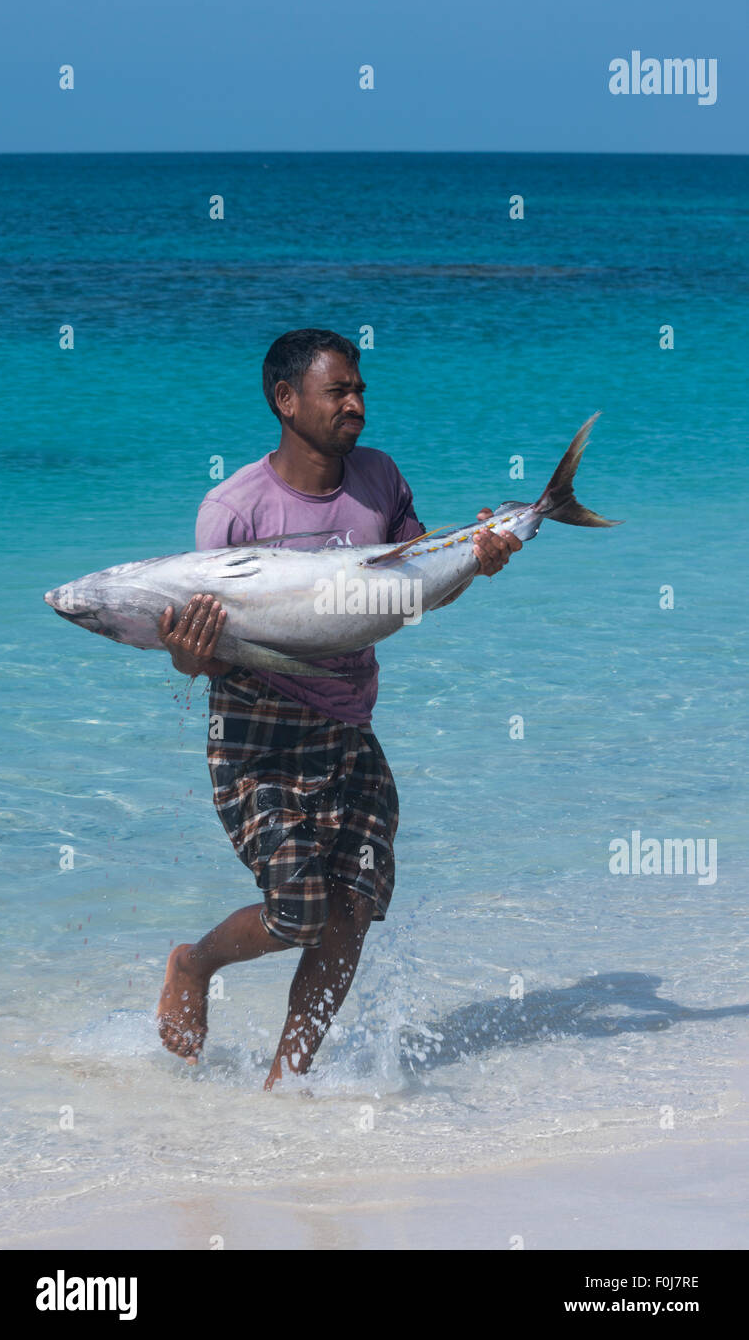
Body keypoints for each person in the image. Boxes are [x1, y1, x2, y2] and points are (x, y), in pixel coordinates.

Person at [156, 329, 521, 1088]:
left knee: (351, 908)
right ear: (285, 401)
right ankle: (193, 964)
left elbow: (418, 585)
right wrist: (183, 646)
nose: (356, 404)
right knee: (297, 911)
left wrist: (474, 560)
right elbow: (199, 658)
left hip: (351, 724)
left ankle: (285, 1082)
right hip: (259, 728)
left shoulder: (380, 478)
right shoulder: (233, 509)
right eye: (339, 392)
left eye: (359, 389)